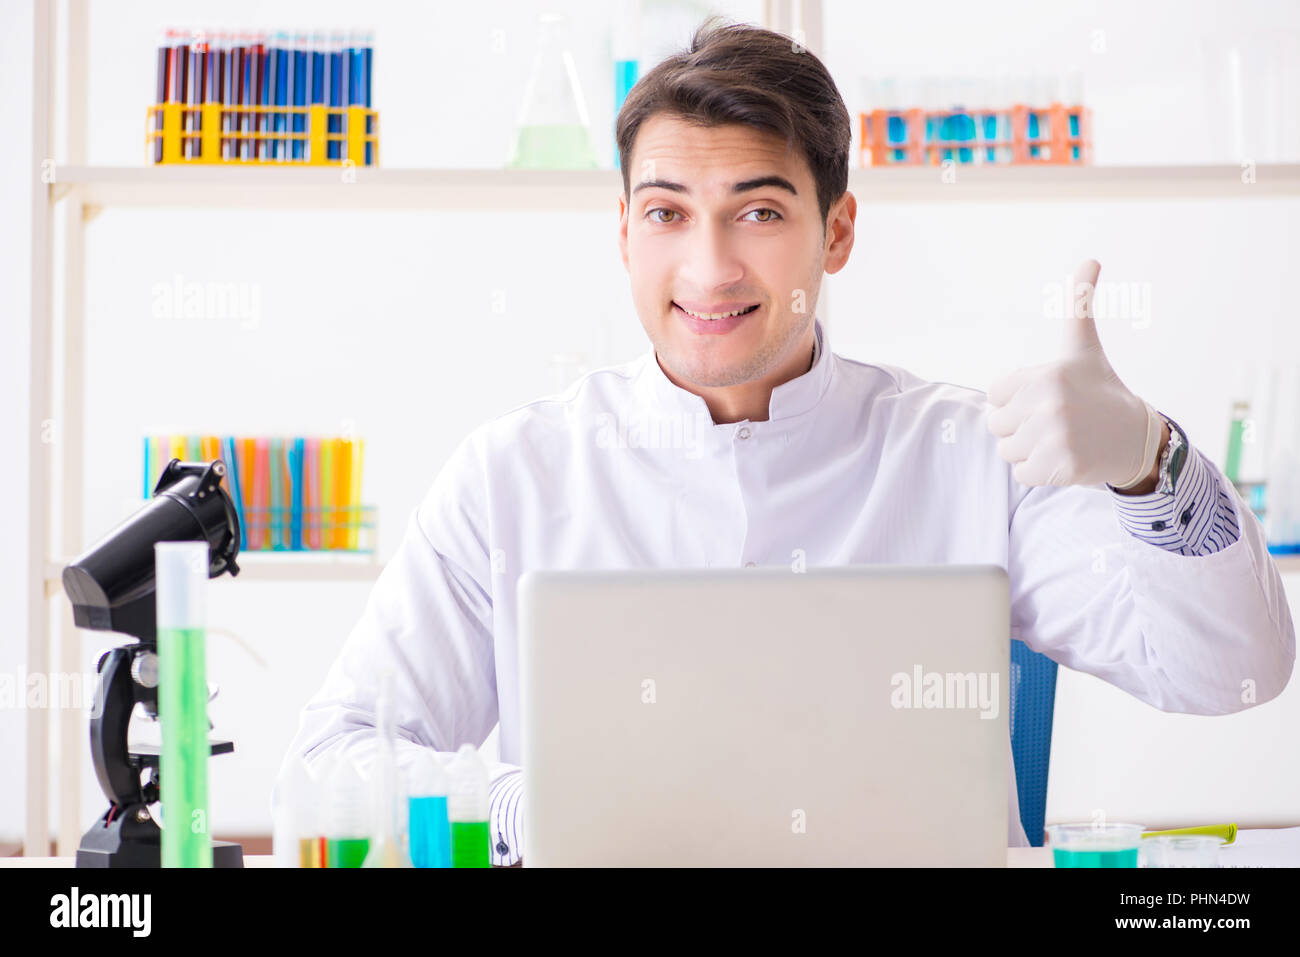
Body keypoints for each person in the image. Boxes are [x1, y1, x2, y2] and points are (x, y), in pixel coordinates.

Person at [273, 18, 1295, 865]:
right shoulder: (514, 475)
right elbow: (324, 774)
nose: (709, 267)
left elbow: (1231, 673)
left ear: (836, 231)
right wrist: (522, 805)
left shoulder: (962, 453)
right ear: (625, 234)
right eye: (667, 213)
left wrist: (1150, 461)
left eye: (757, 211)